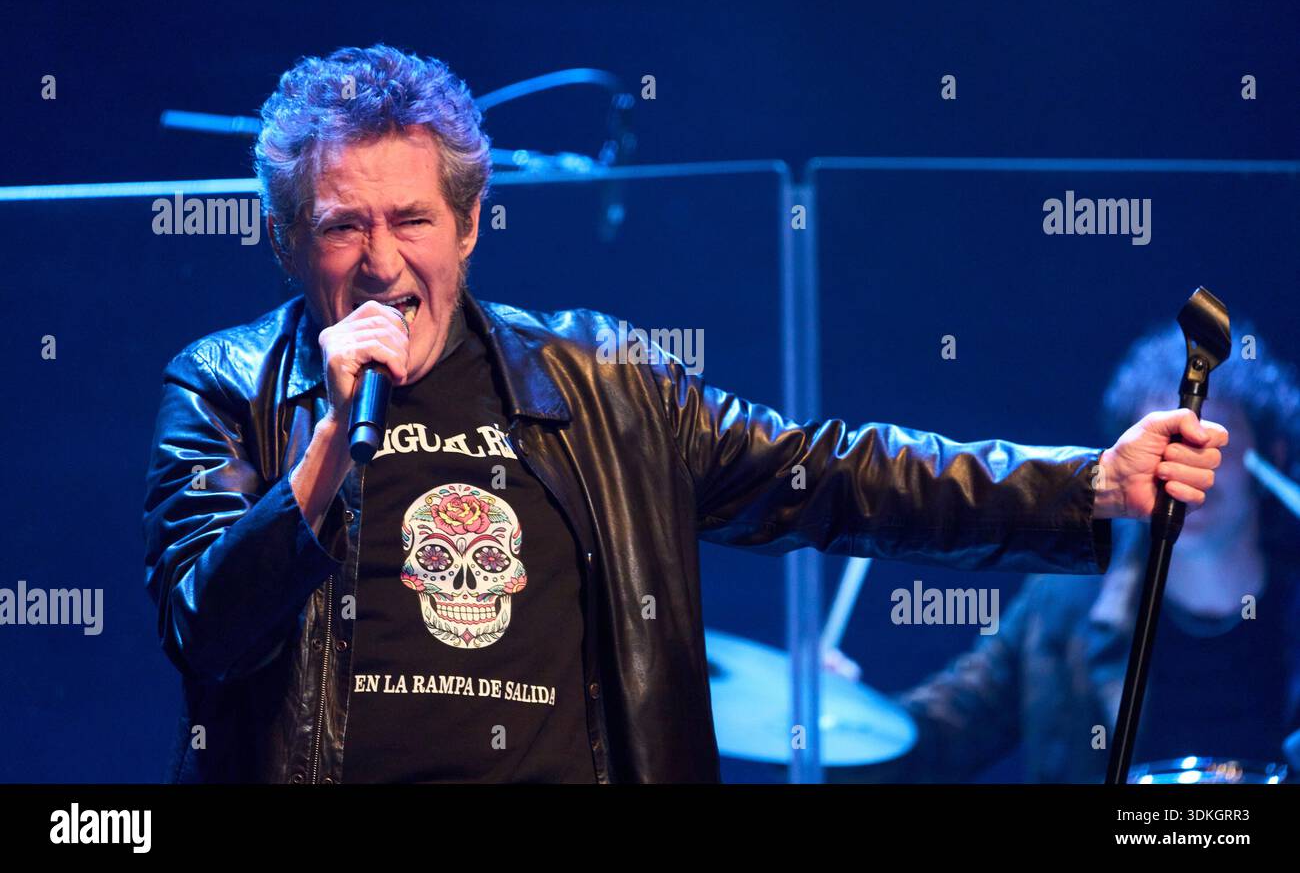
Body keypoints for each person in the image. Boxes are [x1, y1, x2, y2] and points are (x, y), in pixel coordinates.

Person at [141, 44, 1227, 784]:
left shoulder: (607, 382)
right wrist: (329, 445)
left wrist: (1079, 482)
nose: (382, 261)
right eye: (342, 226)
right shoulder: (228, 384)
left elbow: (832, 470)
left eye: (411, 217)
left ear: (469, 225)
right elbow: (205, 627)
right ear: (287, 241)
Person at [885, 319, 1299, 783]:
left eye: (1206, 442)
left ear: (1274, 453)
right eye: (1167, 445)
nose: (1181, 473)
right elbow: (942, 735)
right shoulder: (1065, 602)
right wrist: (840, 715)